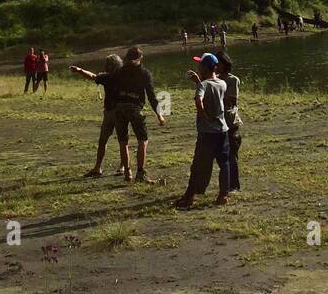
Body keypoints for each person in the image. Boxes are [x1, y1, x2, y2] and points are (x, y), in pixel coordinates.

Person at [175, 54, 230, 208]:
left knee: (198, 165)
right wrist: (200, 82)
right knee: (223, 163)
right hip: (222, 130)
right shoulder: (222, 83)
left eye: (200, 65)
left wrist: (203, 114)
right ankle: (224, 195)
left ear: (205, 67)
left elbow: (199, 99)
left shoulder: (203, 85)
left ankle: (189, 197)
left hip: (207, 133)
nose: (198, 67)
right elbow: (211, 89)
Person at [107, 47, 165, 183]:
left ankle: (127, 172)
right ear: (140, 58)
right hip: (134, 109)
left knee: (123, 142)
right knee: (143, 140)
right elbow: (151, 96)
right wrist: (159, 115)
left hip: (120, 108)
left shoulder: (119, 71)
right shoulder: (144, 73)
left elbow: (112, 89)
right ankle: (140, 172)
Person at [70, 55, 124, 177]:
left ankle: (99, 168)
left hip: (111, 111)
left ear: (110, 65)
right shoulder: (123, 76)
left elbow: (93, 76)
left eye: (107, 64)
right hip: (119, 111)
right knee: (122, 141)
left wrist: (79, 71)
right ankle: (122, 167)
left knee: (104, 141)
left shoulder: (107, 77)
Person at [216, 52, 242, 192]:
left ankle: (234, 186)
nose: (215, 66)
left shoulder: (232, 80)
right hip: (218, 124)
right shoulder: (215, 80)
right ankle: (226, 185)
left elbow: (232, 101)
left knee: (232, 156)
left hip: (230, 123)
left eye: (218, 63)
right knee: (222, 157)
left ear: (225, 64)